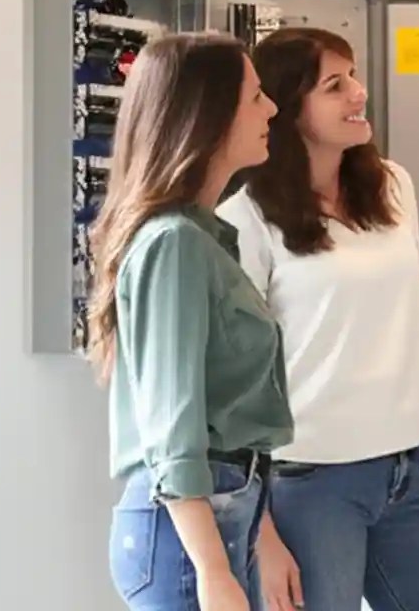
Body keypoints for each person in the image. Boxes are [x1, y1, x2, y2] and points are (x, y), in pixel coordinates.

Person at [216, 27, 419, 611]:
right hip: (308, 482)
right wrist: (263, 537)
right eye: (335, 85)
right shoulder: (245, 219)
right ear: (286, 107)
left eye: (353, 77)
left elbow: (406, 339)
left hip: (404, 474)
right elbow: (232, 390)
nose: (359, 94)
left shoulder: (394, 187)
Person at [87, 31, 293, 611]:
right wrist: (211, 569)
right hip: (186, 534)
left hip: (226, 513)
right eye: (255, 97)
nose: (271, 109)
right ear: (208, 113)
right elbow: (172, 423)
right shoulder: (174, 243)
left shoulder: (203, 237)